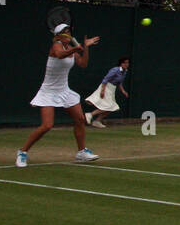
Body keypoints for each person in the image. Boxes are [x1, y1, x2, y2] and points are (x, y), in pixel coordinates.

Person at [17, 24, 100, 166]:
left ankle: (81, 152)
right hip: (48, 92)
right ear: (58, 35)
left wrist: (85, 47)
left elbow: (83, 63)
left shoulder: (71, 50)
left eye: (69, 31)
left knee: (80, 119)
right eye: (65, 32)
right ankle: (22, 152)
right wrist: (76, 47)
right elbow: (60, 55)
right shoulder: (56, 45)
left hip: (64, 90)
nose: (68, 33)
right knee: (47, 125)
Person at [84, 56, 130, 128]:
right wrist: (102, 90)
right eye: (125, 63)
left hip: (112, 89)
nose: (127, 64)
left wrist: (123, 91)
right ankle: (90, 114)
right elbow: (105, 79)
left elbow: (120, 83)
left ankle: (97, 121)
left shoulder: (125, 71)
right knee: (108, 106)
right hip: (106, 87)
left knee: (112, 107)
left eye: (128, 63)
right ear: (121, 63)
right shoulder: (115, 70)